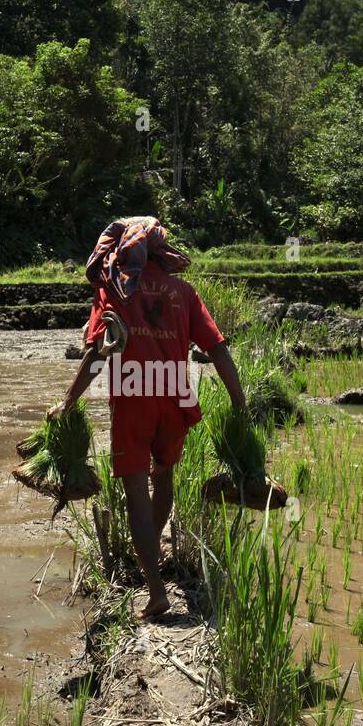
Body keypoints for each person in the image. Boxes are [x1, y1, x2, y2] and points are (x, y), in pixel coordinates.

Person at [47, 217, 246, 620]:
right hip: (175, 397)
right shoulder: (184, 292)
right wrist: (240, 403)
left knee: (137, 495)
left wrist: (68, 402)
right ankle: (151, 553)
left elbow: (98, 355)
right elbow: (219, 350)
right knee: (164, 477)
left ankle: (155, 591)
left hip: (134, 399)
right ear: (159, 249)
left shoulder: (115, 290)